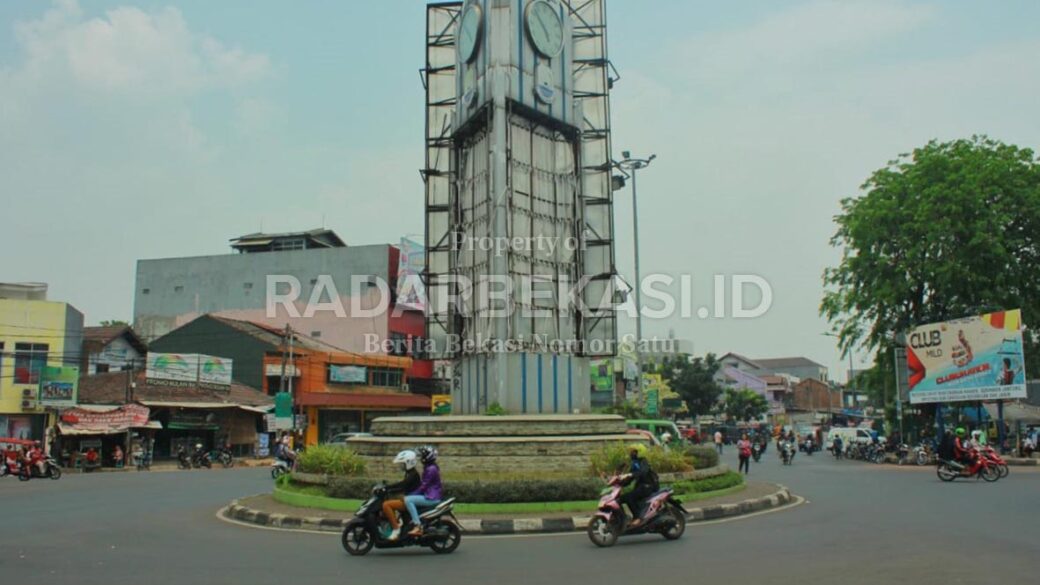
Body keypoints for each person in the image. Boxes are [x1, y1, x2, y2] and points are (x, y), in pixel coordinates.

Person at [383, 450, 421, 541]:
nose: (401, 466)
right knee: (390, 500)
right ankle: (398, 522)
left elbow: (402, 485)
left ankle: (396, 529)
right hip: (408, 498)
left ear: (408, 463)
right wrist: (388, 488)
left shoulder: (413, 475)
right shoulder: (410, 473)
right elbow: (402, 485)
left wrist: (388, 488)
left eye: (403, 464)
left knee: (386, 505)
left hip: (410, 501)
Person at [404, 446, 442, 537]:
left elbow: (423, 486)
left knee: (408, 500)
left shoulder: (431, 469)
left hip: (431, 497)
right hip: (429, 495)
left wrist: (411, 494)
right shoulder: (430, 467)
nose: (421, 458)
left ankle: (418, 526)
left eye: (423, 456)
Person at [619, 443, 659, 528]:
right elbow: (630, 478)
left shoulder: (643, 461)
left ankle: (638, 518)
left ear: (639, 452)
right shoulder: (635, 463)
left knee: (629, 497)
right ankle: (622, 519)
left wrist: (632, 475)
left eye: (633, 452)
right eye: (631, 452)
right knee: (621, 498)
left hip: (647, 486)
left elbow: (642, 472)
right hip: (641, 487)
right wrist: (620, 483)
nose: (631, 453)